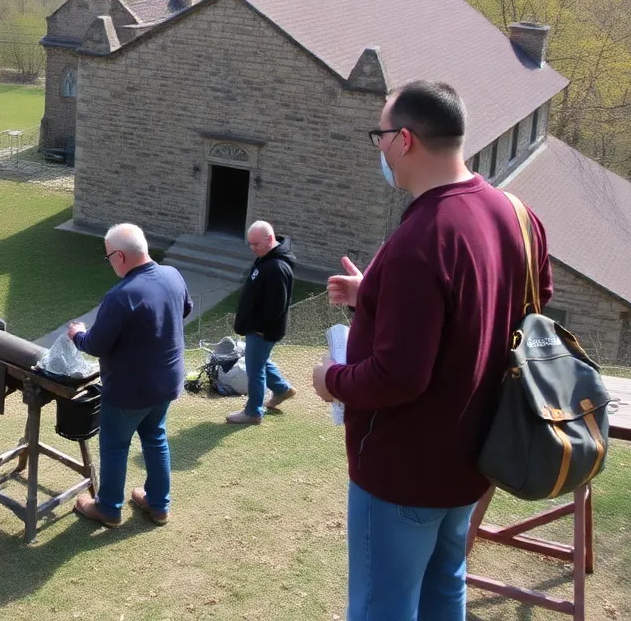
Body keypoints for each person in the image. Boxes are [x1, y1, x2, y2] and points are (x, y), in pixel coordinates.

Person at [311, 81, 553, 621]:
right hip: (474, 458)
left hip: (405, 469)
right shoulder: (517, 214)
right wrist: (371, 297)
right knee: (445, 588)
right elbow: (506, 308)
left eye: (379, 135)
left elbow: (399, 377)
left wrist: (331, 379)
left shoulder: (420, 238)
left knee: (384, 607)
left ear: (404, 140)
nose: (378, 148)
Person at [67, 223, 192, 528]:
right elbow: (184, 309)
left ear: (120, 256)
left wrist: (77, 335)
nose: (109, 262)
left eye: (108, 256)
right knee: (155, 437)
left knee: (114, 445)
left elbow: (95, 345)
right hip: (167, 383)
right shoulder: (173, 274)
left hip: (129, 391)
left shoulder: (120, 296)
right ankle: (158, 505)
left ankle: (109, 508)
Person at [227, 220, 297, 425]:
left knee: (254, 369)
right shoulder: (266, 258)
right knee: (260, 360)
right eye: (250, 244)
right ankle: (283, 390)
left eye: (255, 244)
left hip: (261, 331)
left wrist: (258, 328)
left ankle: (253, 412)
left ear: (269, 239)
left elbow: (277, 306)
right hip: (258, 329)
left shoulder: (276, 267)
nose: (252, 248)